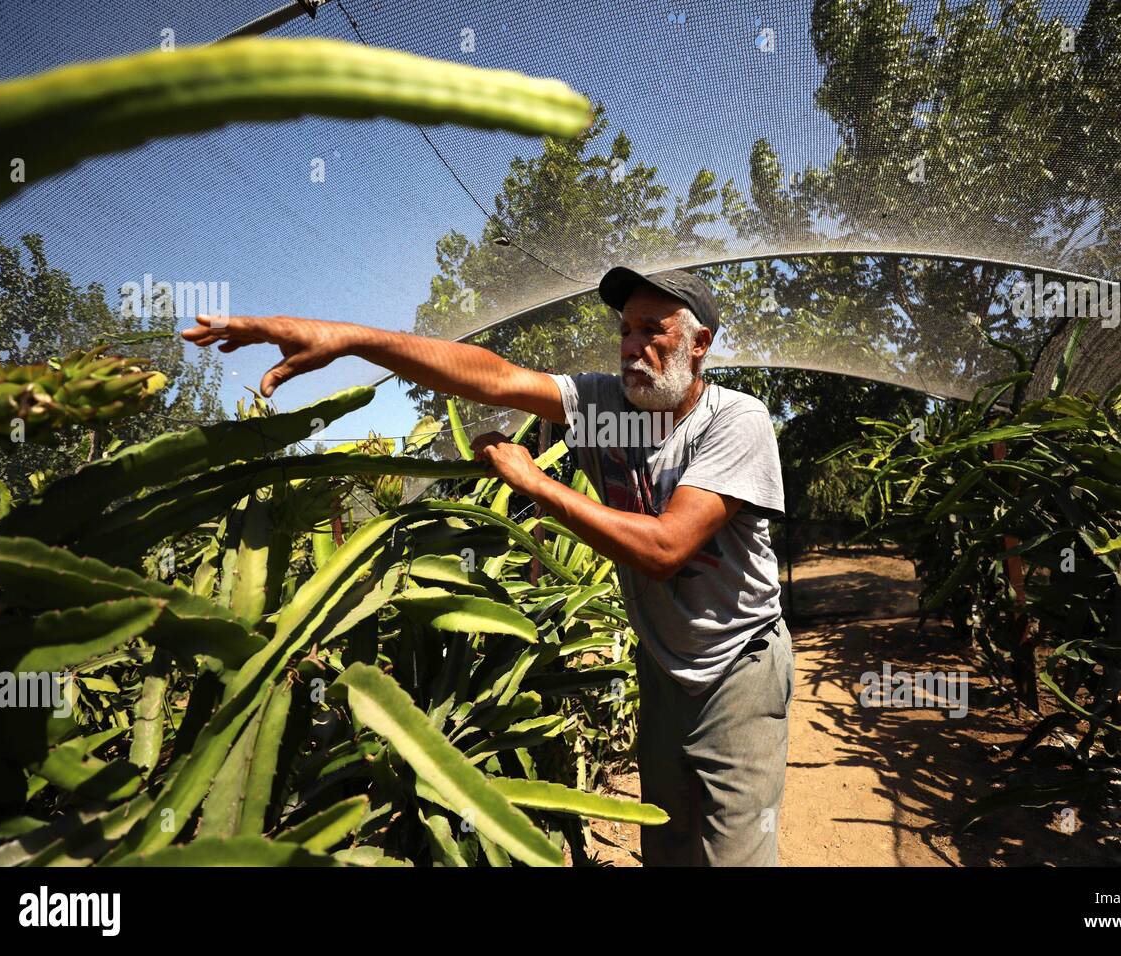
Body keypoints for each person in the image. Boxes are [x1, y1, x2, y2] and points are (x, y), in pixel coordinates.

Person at [183, 266, 794, 865]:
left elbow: (665, 550)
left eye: (651, 331)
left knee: (732, 852)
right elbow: (496, 379)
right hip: (662, 663)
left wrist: (537, 484)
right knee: (666, 840)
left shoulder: (736, 421)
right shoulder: (605, 404)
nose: (631, 347)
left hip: (739, 665)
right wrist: (353, 340)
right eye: (625, 331)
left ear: (699, 345)